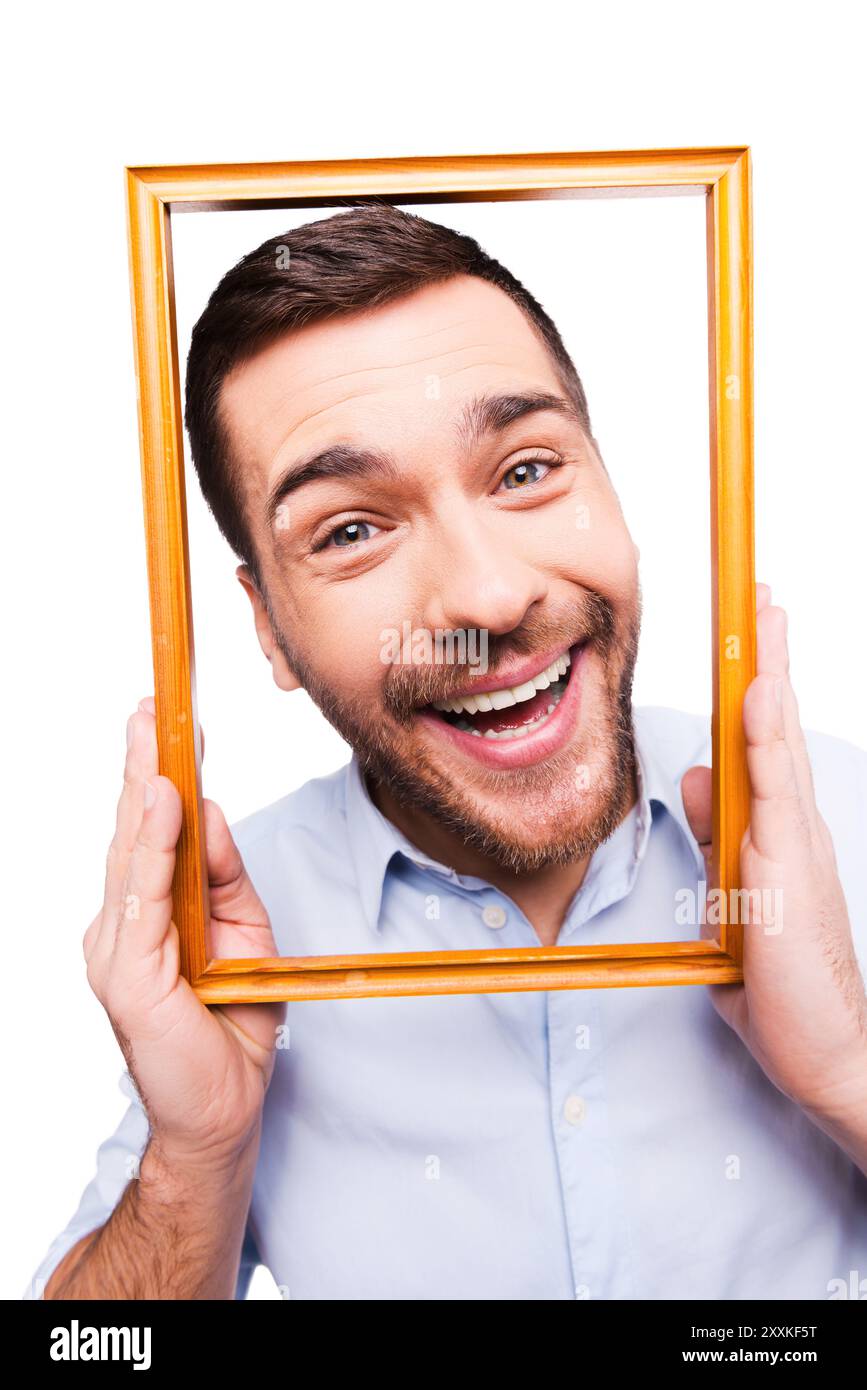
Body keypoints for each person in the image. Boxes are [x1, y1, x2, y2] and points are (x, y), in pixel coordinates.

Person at [27, 203, 867, 1301]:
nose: (488, 594)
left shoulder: (844, 815)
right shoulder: (236, 944)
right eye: (351, 530)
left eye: (525, 470)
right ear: (270, 630)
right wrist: (199, 1157)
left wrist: (849, 1073)